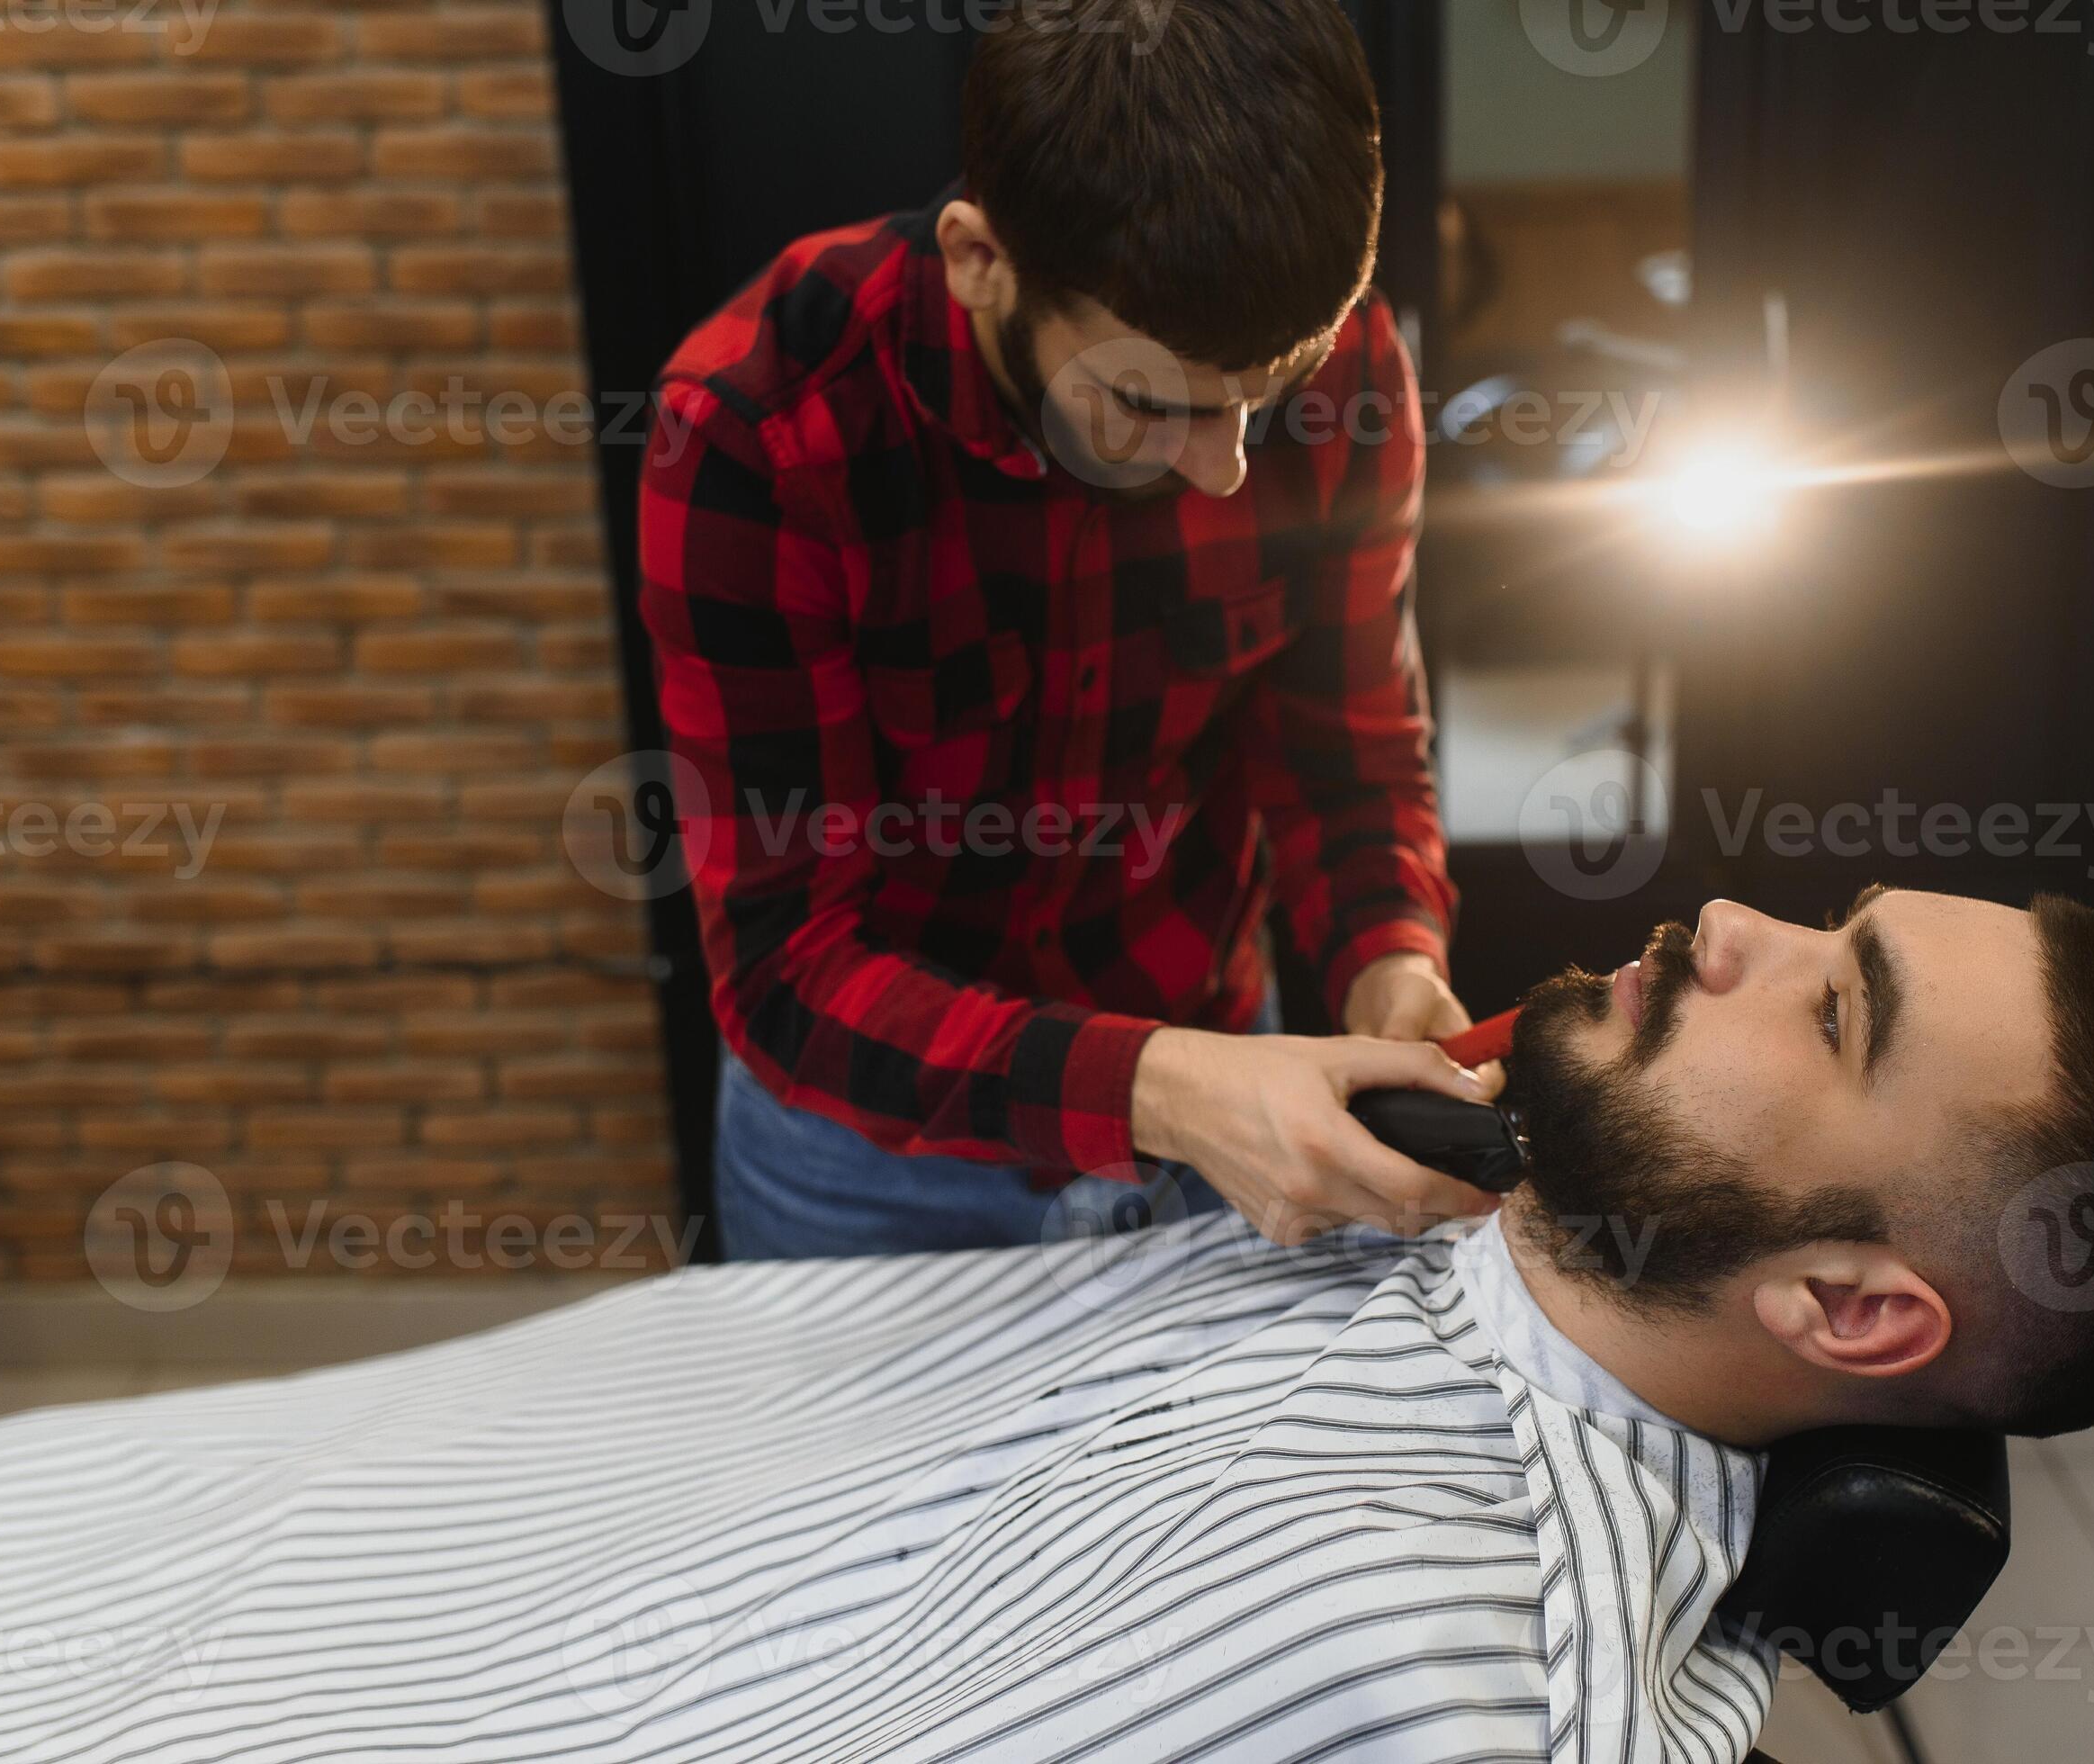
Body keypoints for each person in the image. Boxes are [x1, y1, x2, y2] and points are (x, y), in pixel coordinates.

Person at [0, 890, 2094, 1762]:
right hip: (313, 1525)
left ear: (1855, 1302)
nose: (1733, 914)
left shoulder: (1430, 1669)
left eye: (1834, 1004)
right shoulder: (1485, 1208)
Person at [640, 0, 1496, 1263]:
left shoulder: (1350, 366)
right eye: (1149, 402)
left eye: (1263, 398)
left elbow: (1349, 763)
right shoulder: (755, 427)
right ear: (982, 259)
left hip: (1216, 1065)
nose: (1223, 468)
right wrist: (1163, 1090)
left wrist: (1392, 965)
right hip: (874, 1165)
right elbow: (790, 971)